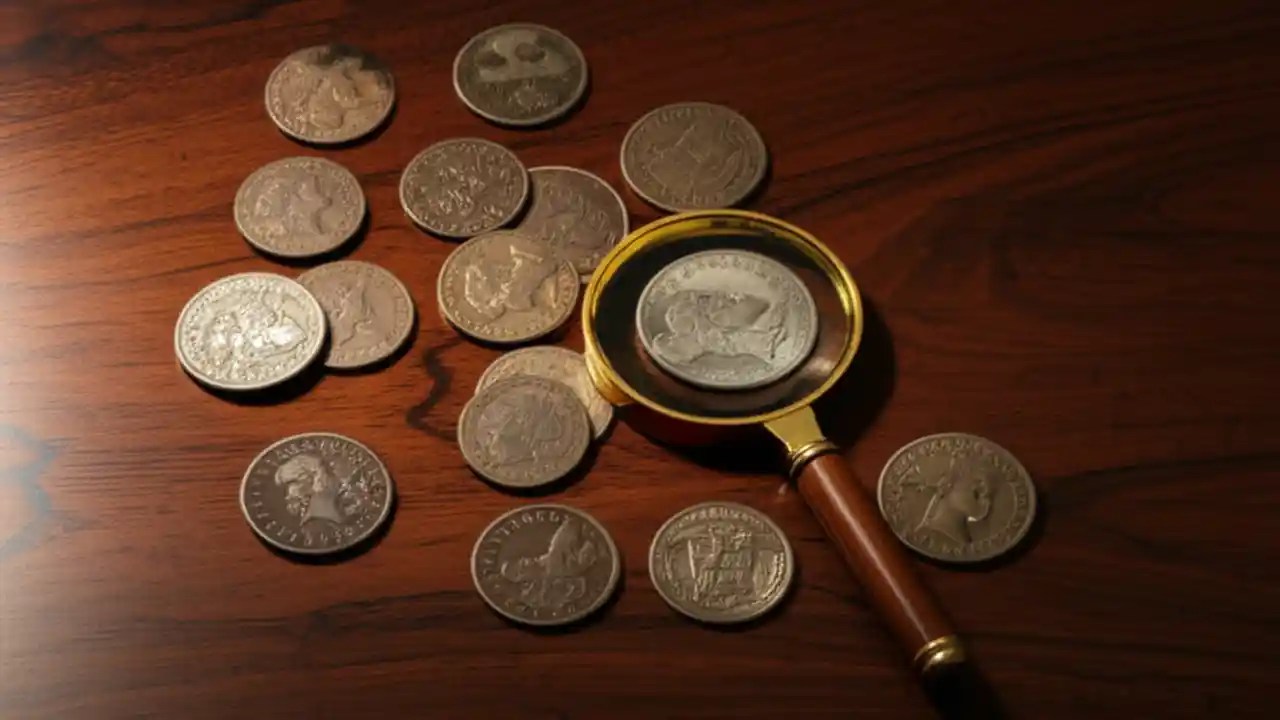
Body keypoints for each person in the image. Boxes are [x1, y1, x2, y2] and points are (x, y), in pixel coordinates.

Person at [914, 457, 993, 545]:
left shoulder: (967, 544)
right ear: (948, 484)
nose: (985, 490)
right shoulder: (928, 538)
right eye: (978, 481)